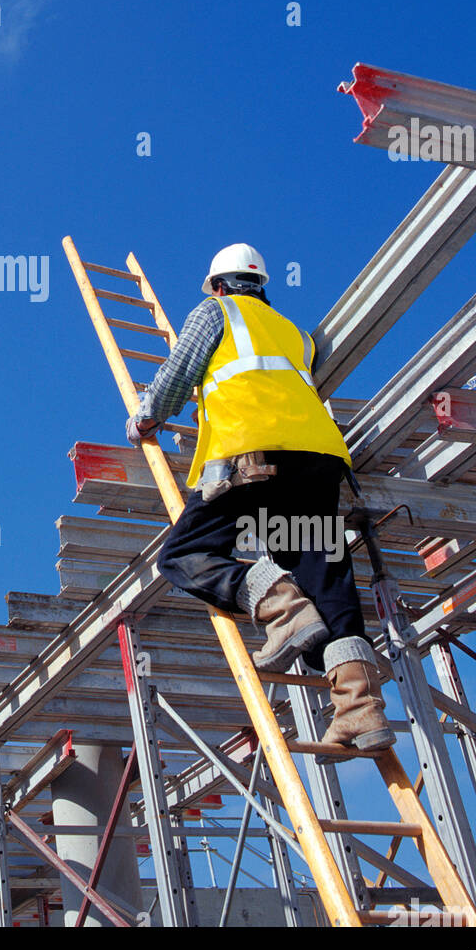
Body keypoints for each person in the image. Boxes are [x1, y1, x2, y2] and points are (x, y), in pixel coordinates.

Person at [127, 244, 393, 751]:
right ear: (261, 286)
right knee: (323, 570)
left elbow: (180, 372)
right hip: (317, 461)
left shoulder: (215, 311)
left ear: (220, 285)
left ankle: (281, 607)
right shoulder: (294, 334)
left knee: (183, 555)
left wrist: (146, 418)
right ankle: (360, 709)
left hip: (251, 455)